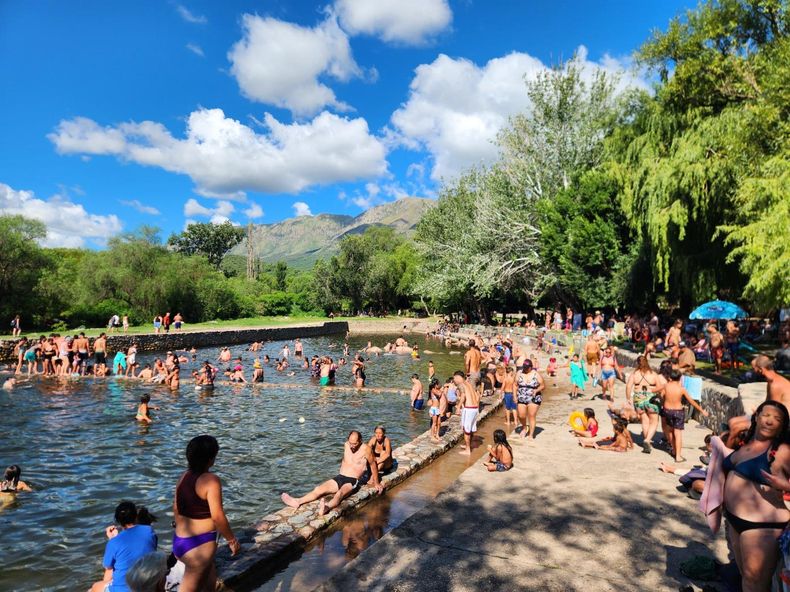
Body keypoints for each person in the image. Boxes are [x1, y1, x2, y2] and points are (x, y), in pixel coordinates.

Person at [719, 401, 790, 591]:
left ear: (782, 426)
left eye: (777, 419)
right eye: (766, 415)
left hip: (763, 527)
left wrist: (785, 486)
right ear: (756, 417)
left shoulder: (782, 451)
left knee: (754, 584)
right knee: (747, 579)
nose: (770, 421)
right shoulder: (747, 442)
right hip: (735, 521)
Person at [173, 435, 240, 592]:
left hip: (179, 540)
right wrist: (231, 540)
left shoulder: (184, 477)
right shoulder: (211, 480)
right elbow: (217, 516)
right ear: (210, 459)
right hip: (199, 546)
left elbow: (176, 508)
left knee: (209, 584)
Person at [281, 430, 384, 516]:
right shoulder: (346, 445)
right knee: (318, 489)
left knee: (339, 494)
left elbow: (373, 464)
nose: (352, 446)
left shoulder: (366, 449)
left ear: (360, 441)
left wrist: (376, 482)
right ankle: (297, 501)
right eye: (350, 443)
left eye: (355, 444)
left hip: (352, 480)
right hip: (340, 477)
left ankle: (326, 507)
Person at [90, 501, 158, 592]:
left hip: (123, 589)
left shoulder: (114, 542)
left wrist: (112, 539)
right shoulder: (149, 531)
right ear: (135, 516)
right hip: (147, 584)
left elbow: (108, 567)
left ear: (118, 520)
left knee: (95, 587)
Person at [657, 369, 709, 462]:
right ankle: (678, 456)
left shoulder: (666, 386)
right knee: (678, 433)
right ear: (680, 378)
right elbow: (691, 401)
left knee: (670, 431)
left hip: (667, 410)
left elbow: (659, 394)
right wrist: (702, 410)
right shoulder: (681, 389)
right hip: (678, 411)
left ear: (670, 377)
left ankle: (674, 450)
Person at [626, 355, 663, 453]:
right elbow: (659, 387)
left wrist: (628, 398)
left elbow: (628, 386)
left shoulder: (634, 374)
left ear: (637, 363)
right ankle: (647, 440)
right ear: (647, 362)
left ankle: (647, 442)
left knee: (644, 421)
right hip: (651, 397)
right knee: (654, 421)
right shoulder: (653, 374)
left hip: (638, 398)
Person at [515, 360, 545, 440]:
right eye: (524, 367)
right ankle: (525, 427)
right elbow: (515, 385)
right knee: (521, 415)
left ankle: (531, 435)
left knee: (531, 415)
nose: (525, 369)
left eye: (526, 368)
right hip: (521, 397)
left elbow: (543, 386)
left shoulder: (536, 374)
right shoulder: (519, 373)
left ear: (531, 367)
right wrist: (514, 396)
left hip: (534, 397)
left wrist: (536, 390)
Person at [454, 370, 480, 455]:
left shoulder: (461, 384)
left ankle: (468, 450)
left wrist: (458, 407)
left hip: (469, 409)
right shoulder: (468, 384)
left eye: (454, 378)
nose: (454, 380)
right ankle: (467, 445)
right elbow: (477, 395)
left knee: (466, 430)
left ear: (458, 377)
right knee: (470, 429)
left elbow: (463, 396)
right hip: (475, 408)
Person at [502, 365, 518, 429]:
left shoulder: (505, 379)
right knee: (514, 408)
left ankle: (508, 422)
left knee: (508, 409)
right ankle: (516, 421)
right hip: (513, 394)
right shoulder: (513, 379)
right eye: (512, 372)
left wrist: (500, 394)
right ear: (510, 372)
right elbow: (516, 386)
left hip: (507, 394)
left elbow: (503, 387)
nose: (513, 373)